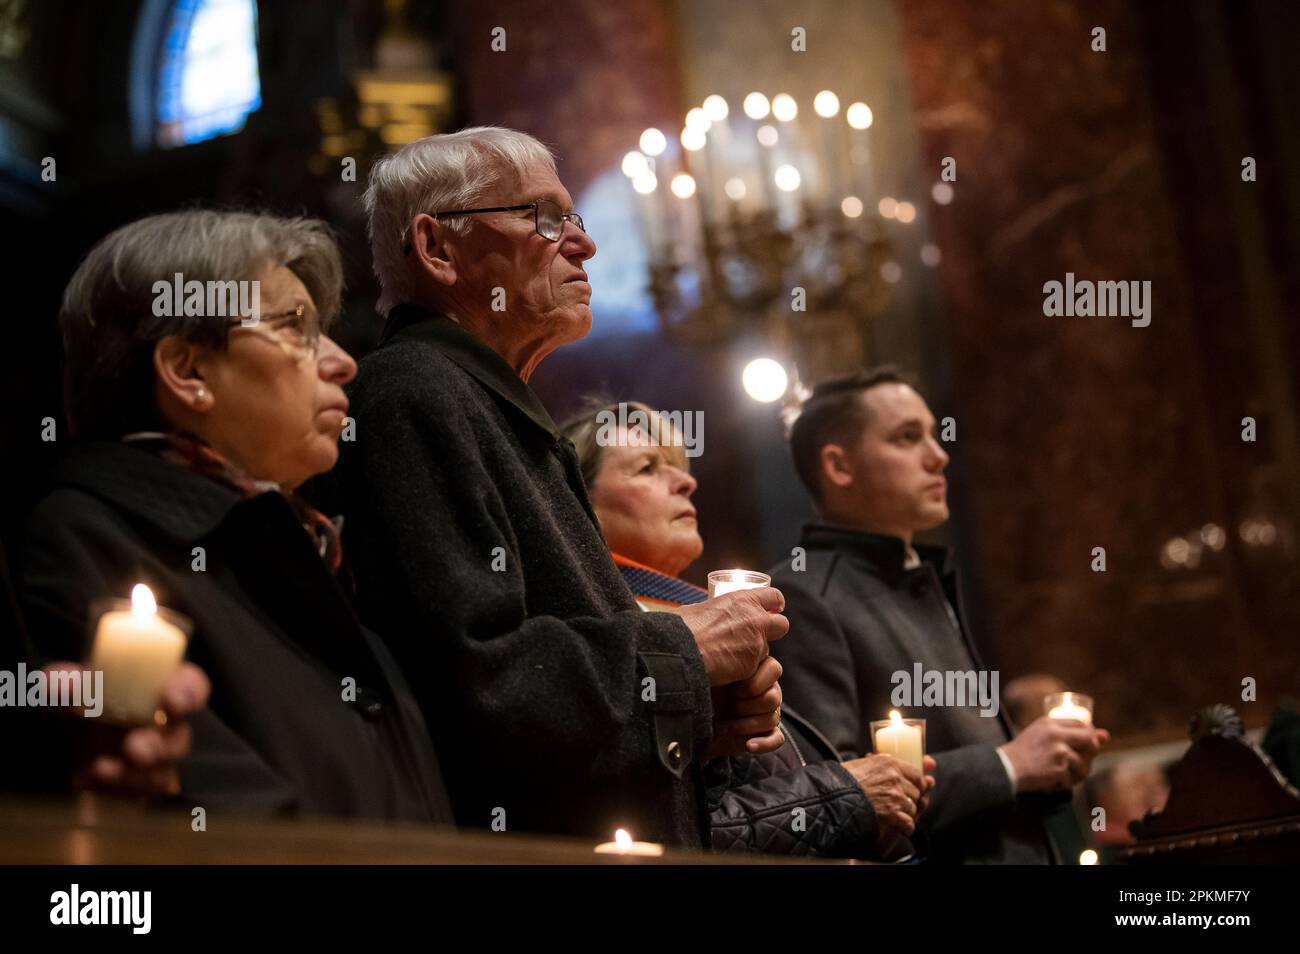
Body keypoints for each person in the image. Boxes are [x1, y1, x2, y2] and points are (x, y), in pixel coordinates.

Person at [338, 127, 786, 846]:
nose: (584, 244)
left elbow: (561, 708)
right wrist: (684, 648)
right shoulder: (413, 395)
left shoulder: (485, 401)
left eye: (574, 218)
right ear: (438, 249)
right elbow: (480, 686)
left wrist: (701, 712)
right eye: (543, 219)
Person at [17, 210, 451, 822]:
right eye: (296, 328)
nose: (342, 362)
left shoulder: (309, 546)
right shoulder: (85, 544)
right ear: (189, 371)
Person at [562, 399, 935, 859]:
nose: (687, 481)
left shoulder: (692, 617)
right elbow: (671, 833)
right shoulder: (605, 635)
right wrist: (847, 795)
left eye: (679, 467)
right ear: (580, 507)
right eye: (646, 469)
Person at [770, 367, 1109, 863]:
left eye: (933, 434)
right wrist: (1010, 764)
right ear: (839, 467)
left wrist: (1048, 766)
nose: (939, 455)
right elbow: (832, 795)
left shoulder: (915, 576)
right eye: (908, 438)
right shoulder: (802, 593)